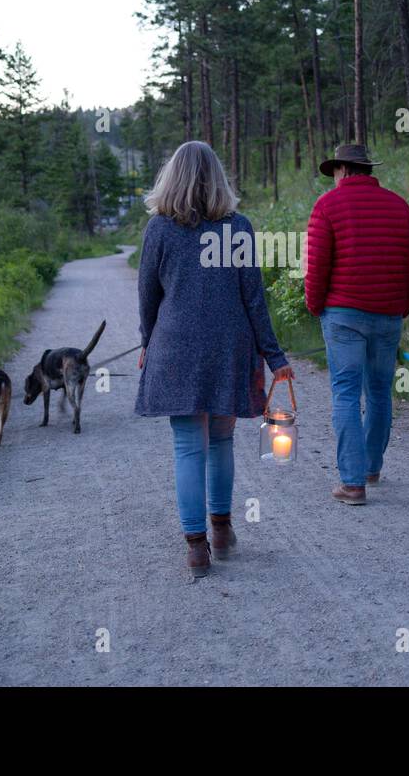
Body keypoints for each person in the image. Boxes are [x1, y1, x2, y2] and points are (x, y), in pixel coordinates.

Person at [136, 141, 293, 578]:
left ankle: (196, 548)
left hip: (176, 346)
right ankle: (221, 531)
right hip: (229, 346)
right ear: (218, 178)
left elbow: (148, 295)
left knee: (188, 446)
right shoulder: (237, 227)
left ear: (171, 177)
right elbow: (254, 300)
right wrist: (274, 354)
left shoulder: (159, 230)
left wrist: (148, 340)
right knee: (221, 442)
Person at [303, 143, 409, 506]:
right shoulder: (399, 206)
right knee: (380, 391)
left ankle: (353, 484)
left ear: (342, 170)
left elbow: (317, 264)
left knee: (345, 393)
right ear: (366, 170)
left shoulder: (327, 206)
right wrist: (403, 306)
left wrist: (314, 304)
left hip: (343, 315)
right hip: (387, 315)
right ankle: (371, 468)